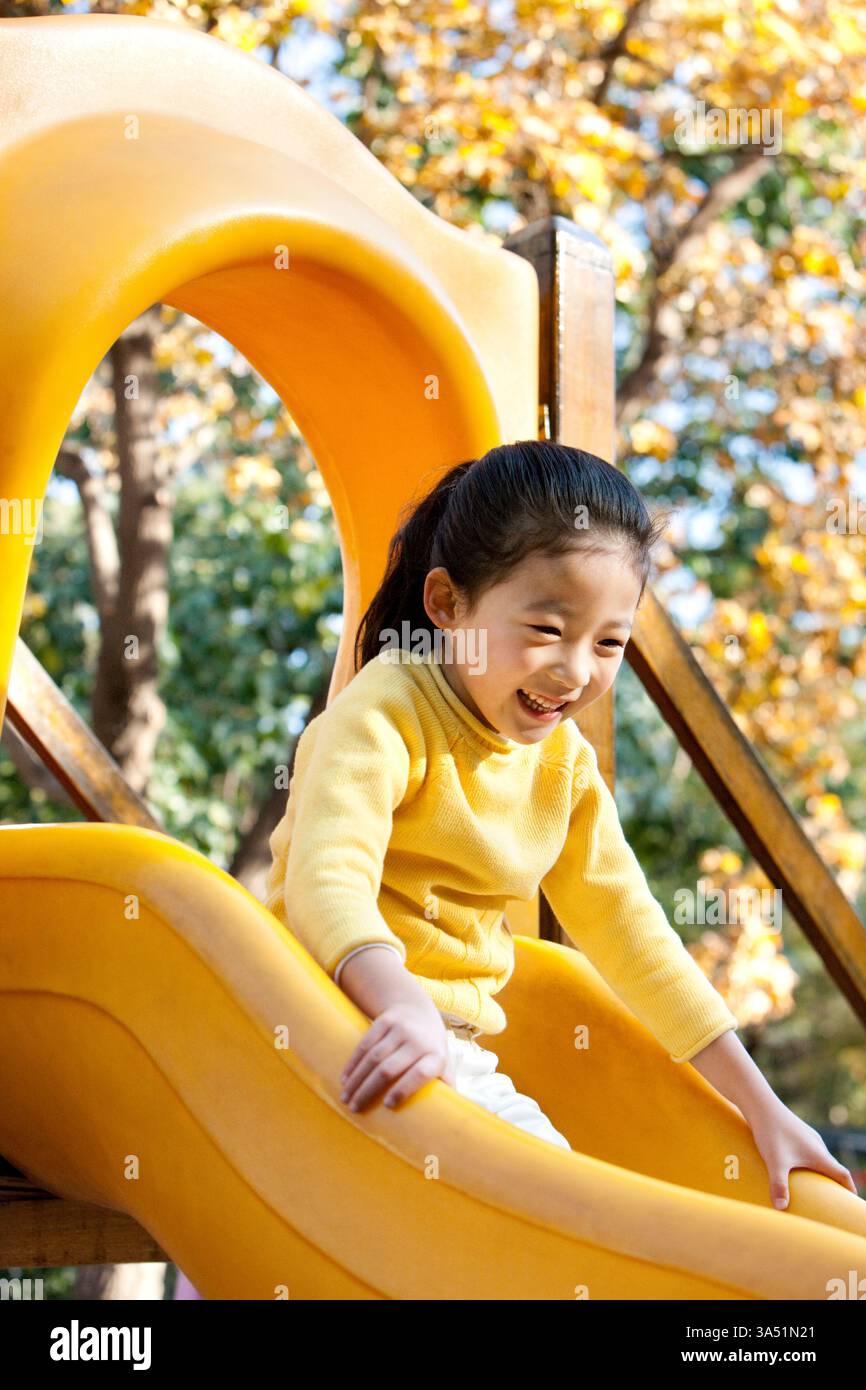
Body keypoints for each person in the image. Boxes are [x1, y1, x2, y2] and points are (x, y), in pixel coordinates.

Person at [264, 439, 859, 1210]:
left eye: (609, 642)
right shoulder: (386, 714)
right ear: (448, 605)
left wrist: (763, 1107)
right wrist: (404, 1003)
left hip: (449, 1050)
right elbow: (326, 880)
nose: (576, 671)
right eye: (547, 629)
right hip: (319, 1021)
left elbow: (632, 933)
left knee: (578, 1212)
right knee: (557, 1218)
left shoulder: (561, 768)